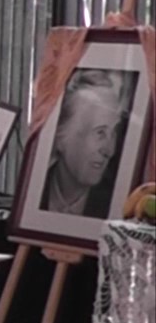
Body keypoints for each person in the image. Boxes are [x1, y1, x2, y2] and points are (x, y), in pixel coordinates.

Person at [38, 70, 133, 218]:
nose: (110, 150)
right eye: (100, 132)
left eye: (113, 132)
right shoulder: (32, 194)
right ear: (60, 137)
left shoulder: (117, 204)